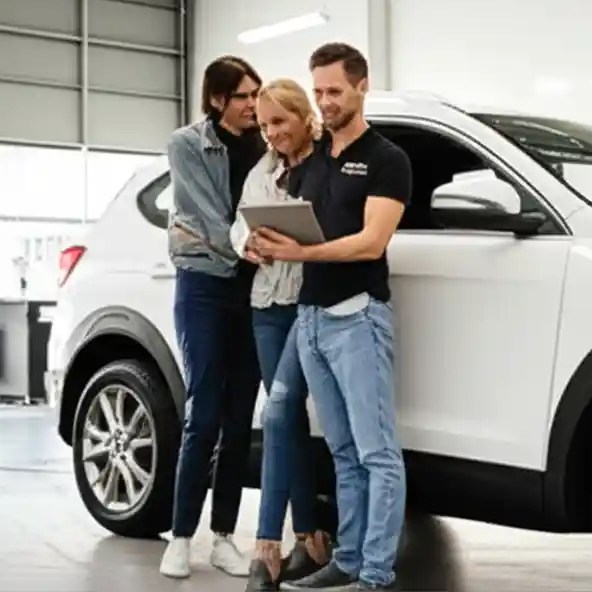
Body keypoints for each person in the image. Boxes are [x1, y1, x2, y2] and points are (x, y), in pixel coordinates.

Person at [249, 42, 411, 591]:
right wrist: (262, 243)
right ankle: (345, 561)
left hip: (357, 317)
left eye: (334, 91)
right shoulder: (312, 164)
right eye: (318, 91)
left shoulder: (388, 158)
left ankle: (375, 574)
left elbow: (370, 242)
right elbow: (298, 229)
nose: (325, 101)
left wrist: (299, 254)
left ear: (362, 86)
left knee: (377, 454)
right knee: (342, 452)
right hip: (312, 320)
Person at [160, 55, 267, 579]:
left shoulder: (267, 148)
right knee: (203, 411)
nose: (253, 104)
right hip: (204, 283)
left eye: (257, 94)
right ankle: (180, 537)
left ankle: (224, 535)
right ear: (218, 99)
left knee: (239, 415)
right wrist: (262, 246)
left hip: (253, 287)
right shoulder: (187, 144)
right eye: (244, 95)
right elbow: (209, 217)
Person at [228, 78, 334, 591]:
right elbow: (238, 223)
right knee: (284, 415)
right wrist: (246, 242)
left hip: (310, 303)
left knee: (277, 412)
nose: (271, 134)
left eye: (279, 123)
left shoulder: (324, 165)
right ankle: (309, 538)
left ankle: (266, 547)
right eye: (265, 125)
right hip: (268, 303)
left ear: (303, 117)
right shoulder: (263, 171)